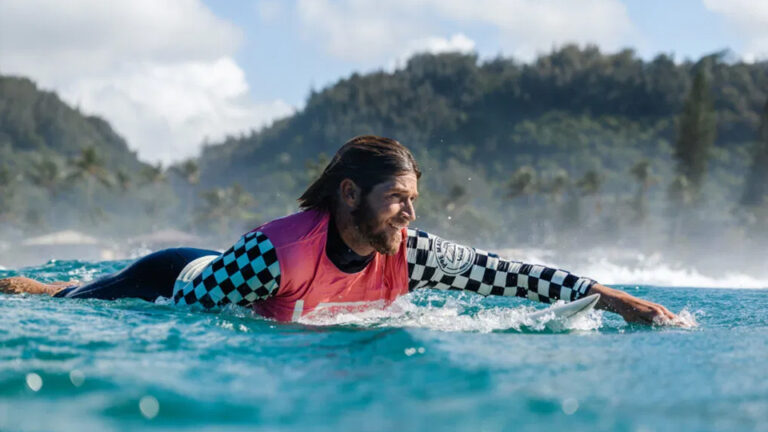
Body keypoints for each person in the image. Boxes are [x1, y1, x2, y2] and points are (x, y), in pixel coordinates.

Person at [1, 135, 678, 324]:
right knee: (67, 298)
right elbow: (187, 317)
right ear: (350, 194)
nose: (410, 214)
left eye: (414, 200)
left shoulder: (412, 253)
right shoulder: (277, 254)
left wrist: (616, 300)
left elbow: (512, 276)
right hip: (176, 277)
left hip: (239, 280)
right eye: (397, 199)